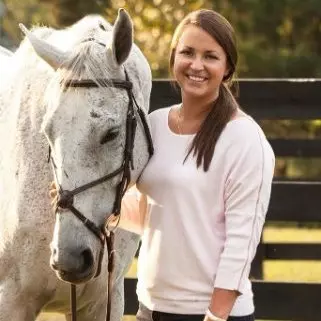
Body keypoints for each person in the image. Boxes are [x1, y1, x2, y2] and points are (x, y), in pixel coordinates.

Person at [51, 8, 275, 321]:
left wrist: (216, 316)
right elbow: (153, 214)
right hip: (151, 310)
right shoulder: (154, 126)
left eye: (210, 56)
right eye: (187, 53)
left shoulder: (244, 137)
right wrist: (91, 206)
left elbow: (242, 242)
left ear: (227, 68)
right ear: (173, 60)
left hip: (213, 315)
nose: (196, 65)